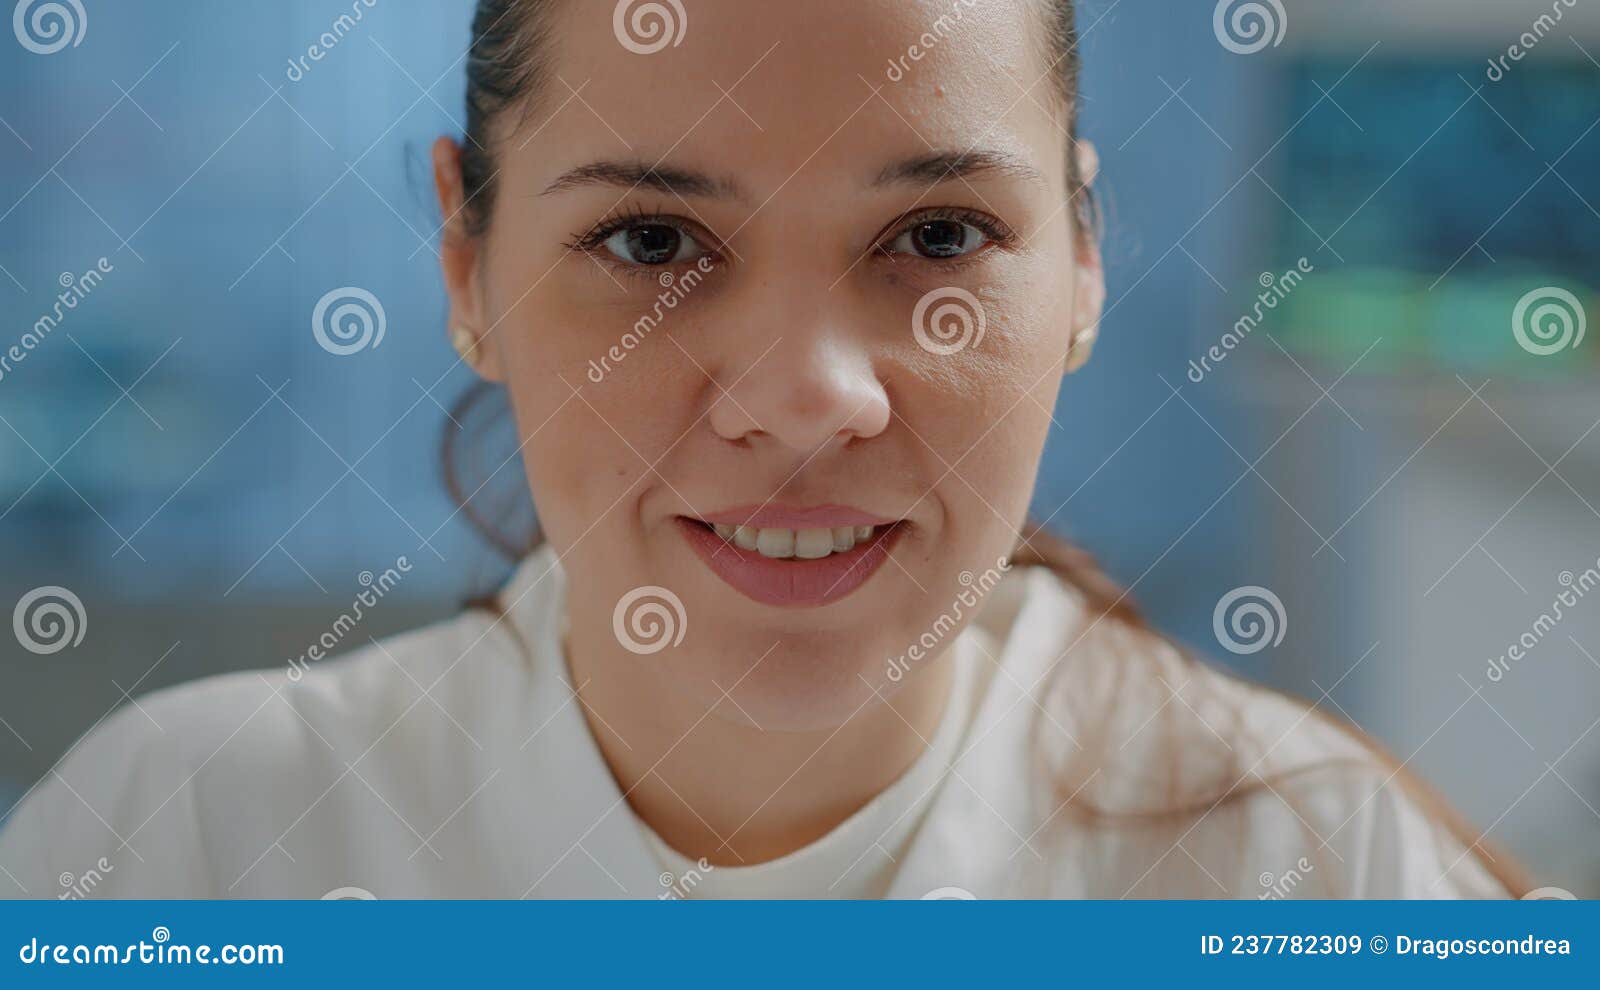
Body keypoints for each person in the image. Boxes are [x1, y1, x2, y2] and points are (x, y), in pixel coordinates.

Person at [0, 0, 1524, 900]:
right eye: (651, 238)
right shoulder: (177, 845)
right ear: (465, 260)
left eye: (936, 234)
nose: (807, 399)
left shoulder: (1322, 869)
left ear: (1084, 260)